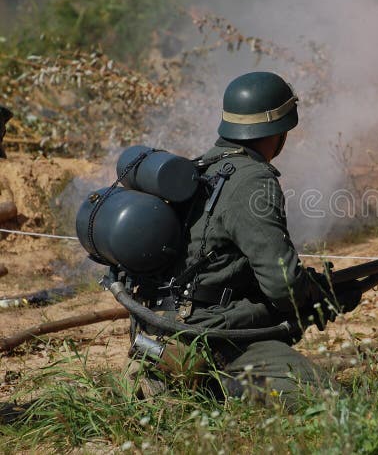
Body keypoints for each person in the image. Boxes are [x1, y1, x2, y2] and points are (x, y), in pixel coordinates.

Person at [130, 71, 360, 408]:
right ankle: (215, 387)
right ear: (278, 130)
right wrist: (315, 296)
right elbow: (284, 288)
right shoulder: (253, 181)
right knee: (329, 403)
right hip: (216, 337)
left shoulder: (205, 166)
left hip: (167, 324)